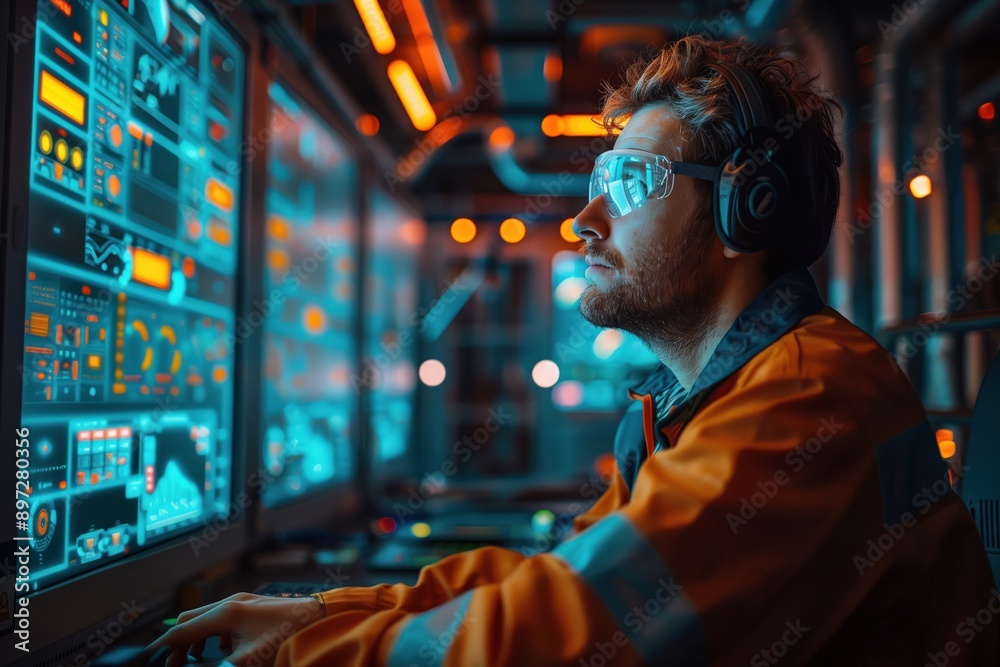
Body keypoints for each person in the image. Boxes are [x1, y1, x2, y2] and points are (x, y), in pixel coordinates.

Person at [149, 35, 1000, 666]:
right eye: (598, 185)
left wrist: (311, 656)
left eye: (630, 184)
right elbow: (556, 577)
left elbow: (570, 632)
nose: (585, 222)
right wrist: (315, 615)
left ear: (749, 208)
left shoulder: (810, 397)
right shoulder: (697, 406)